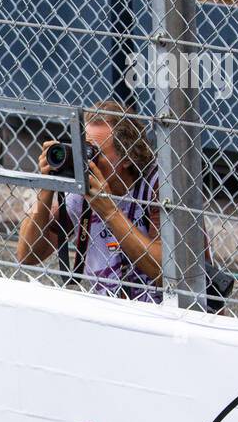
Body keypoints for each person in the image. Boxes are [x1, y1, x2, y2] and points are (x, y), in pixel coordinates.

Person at [16, 101, 164, 302]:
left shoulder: (157, 186)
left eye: (94, 153)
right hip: (109, 310)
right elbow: (27, 255)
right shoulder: (82, 192)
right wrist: (46, 188)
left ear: (127, 157)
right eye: (82, 149)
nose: (86, 161)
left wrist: (109, 211)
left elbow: (168, 274)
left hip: (164, 313)